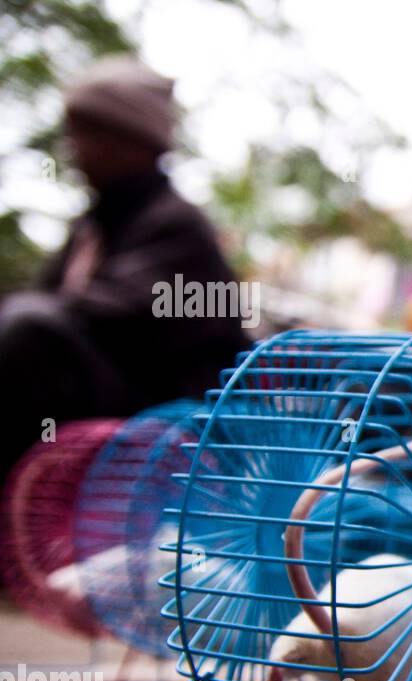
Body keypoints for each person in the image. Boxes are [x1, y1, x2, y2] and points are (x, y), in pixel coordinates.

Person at [0, 57, 251, 482]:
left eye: (88, 133)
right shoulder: (96, 225)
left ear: (133, 141)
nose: (74, 147)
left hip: (165, 420)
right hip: (112, 399)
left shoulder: (175, 224)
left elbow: (110, 313)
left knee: (29, 330)